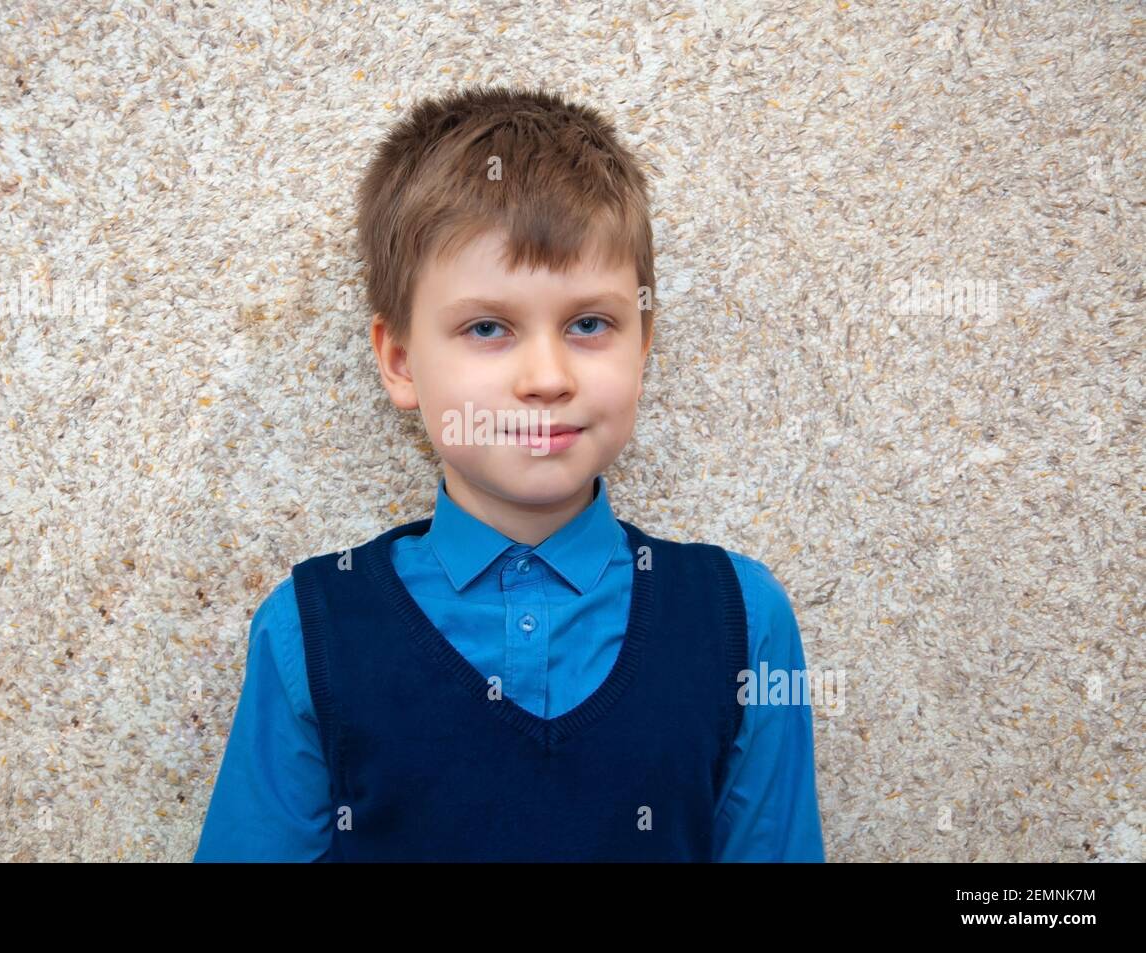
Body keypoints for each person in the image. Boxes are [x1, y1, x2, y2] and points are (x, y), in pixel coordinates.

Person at [194, 84, 825, 862]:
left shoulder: (741, 621)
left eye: (590, 323)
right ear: (399, 361)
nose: (547, 376)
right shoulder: (310, 629)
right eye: (487, 327)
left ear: (644, 342)